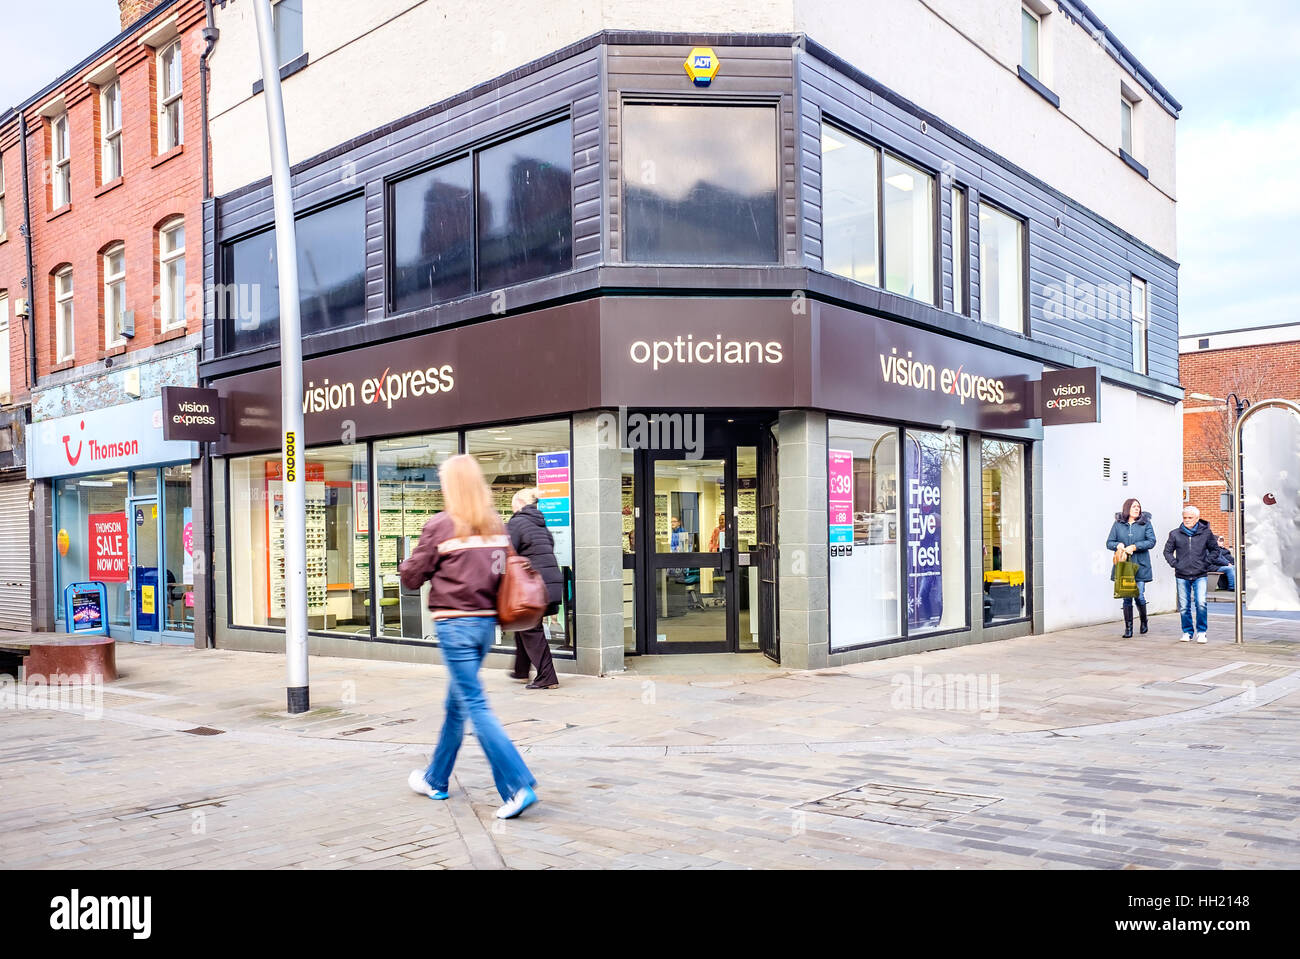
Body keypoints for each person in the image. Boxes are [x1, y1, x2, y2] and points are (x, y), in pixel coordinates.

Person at [400, 454, 539, 820]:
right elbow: (502, 573)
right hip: (484, 626)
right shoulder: (495, 525)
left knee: (475, 705)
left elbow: (413, 577)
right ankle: (437, 779)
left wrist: (409, 562)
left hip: (454, 626)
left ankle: (516, 785)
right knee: (457, 705)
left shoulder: (441, 526)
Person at [506, 488, 563, 690]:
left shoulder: (517, 522)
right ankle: (521, 671)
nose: (511, 508)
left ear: (520, 502)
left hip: (533, 586)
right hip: (551, 583)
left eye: (513, 504)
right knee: (524, 624)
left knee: (530, 628)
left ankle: (548, 676)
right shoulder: (540, 524)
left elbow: (506, 551)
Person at [1162, 505, 1218, 644]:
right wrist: (1175, 564)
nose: (1187, 520)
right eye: (1185, 517)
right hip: (1182, 574)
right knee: (1184, 605)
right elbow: (1167, 552)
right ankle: (1187, 631)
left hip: (1200, 574)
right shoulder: (1175, 534)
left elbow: (1215, 550)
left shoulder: (1206, 533)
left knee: (1201, 603)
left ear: (1197, 518)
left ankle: (1202, 632)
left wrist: (1206, 563)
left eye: (1190, 518)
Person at [1106, 497, 1156, 637]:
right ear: (1127, 508)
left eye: (1138, 507)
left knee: (1139, 595)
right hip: (1124, 567)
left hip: (1140, 565)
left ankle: (1144, 620)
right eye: (1134, 506)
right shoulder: (1118, 524)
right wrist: (1118, 545)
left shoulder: (1145, 523)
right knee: (1127, 597)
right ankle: (1128, 629)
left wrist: (1135, 546)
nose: (1137, 509)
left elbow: (1151, 541)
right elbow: (1109, 542)